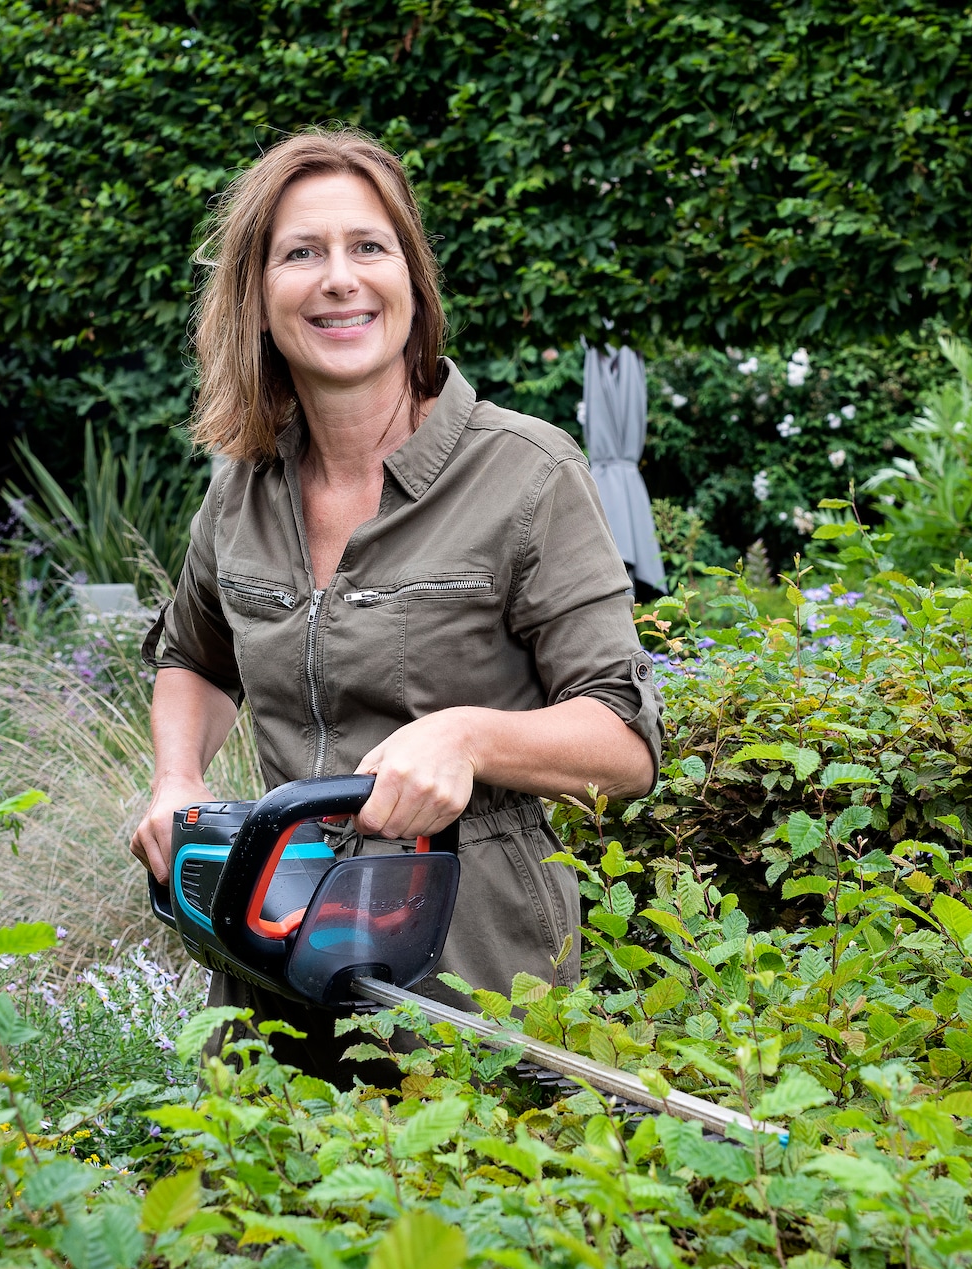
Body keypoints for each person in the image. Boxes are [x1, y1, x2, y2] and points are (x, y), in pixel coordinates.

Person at [131, 128, 662, 1084]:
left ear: (411, 281)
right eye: (302, 253)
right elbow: (195, 657)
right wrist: (177, 780)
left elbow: (625, 745)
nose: (339, 279)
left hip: (470, 974)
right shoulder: (242, 489)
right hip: (273, 956)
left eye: (367, 248)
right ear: (255, 298)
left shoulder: (527, 476)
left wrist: (467, 737)